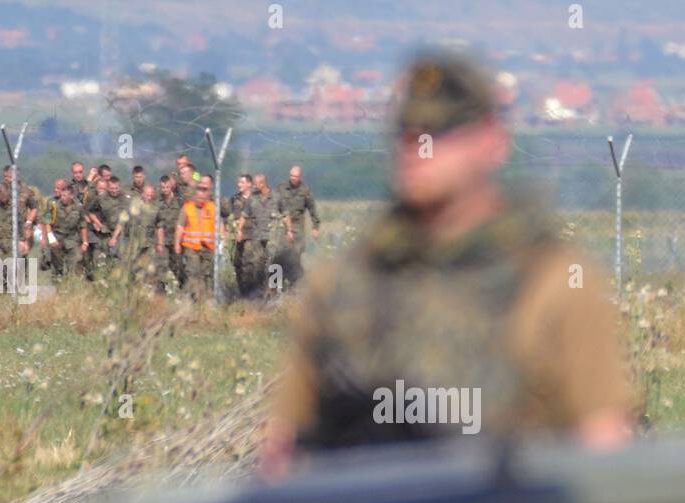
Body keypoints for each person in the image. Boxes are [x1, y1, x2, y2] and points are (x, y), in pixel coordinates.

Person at [262, 51, 632, 475]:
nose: (419, 147)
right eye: (408, 131)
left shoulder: (553, 284)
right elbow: (282, 450)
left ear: (493, 142)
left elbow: (604, 452)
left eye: (442, 131)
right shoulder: (341, 287)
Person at [174, 176, 218, 303]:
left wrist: (221, 240)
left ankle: (207, 299)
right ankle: (192, 299)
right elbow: (180, 227)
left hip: (208, 247)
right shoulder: (187, 208)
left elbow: (219, 225)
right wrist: (177, 244)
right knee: (193, 272)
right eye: (199, 195)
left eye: (204, 195)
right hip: (191, 247)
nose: (201, 198)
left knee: (207, 274)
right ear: (195, 195)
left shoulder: (212, 207)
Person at [275, 165, 321, 285]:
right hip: (282, 226)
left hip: (297, 226)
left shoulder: (305, 191)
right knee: (281, 254)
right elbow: (274, 204)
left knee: (295, 255)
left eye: (295, 176)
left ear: (300, 177)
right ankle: (278, 284)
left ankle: (296, 283)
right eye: (291, 176)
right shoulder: (281, 189)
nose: (293, 178)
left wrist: (315, 227)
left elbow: (312, 209)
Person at [220, 173, 252, 295]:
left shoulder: (255, 199)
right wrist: (225, 233)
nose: (239, 185)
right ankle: (242, 291)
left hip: (251, 236)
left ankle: (252, 289)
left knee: (250, 264)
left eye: (242, 182)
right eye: (238, 182)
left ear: (249, 184)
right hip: (236, 238)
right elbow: (226, 215)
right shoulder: (234, 199)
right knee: (237, 264)